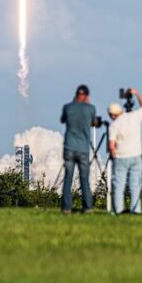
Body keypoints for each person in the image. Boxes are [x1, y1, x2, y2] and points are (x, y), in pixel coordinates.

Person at [108, 88, 142, 214]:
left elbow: (111, 144)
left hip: (121, 156)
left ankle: (118, 209)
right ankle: (136, 209)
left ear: (112, 114)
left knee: (119, 184)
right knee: (135, 184)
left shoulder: (114, 125)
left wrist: (112, 153)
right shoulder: (134, 116)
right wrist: (137, 93)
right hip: (136, 155)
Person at [60, 84, 98, 214]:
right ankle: (87, 207)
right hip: (83, 149)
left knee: (68, 179)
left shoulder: (67, 107)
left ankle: (66, 208)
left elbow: (63, 119)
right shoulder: (91, 108)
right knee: (84, 179)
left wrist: (73, 103)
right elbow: (94, 123)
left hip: (69, 147)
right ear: (86, 96)